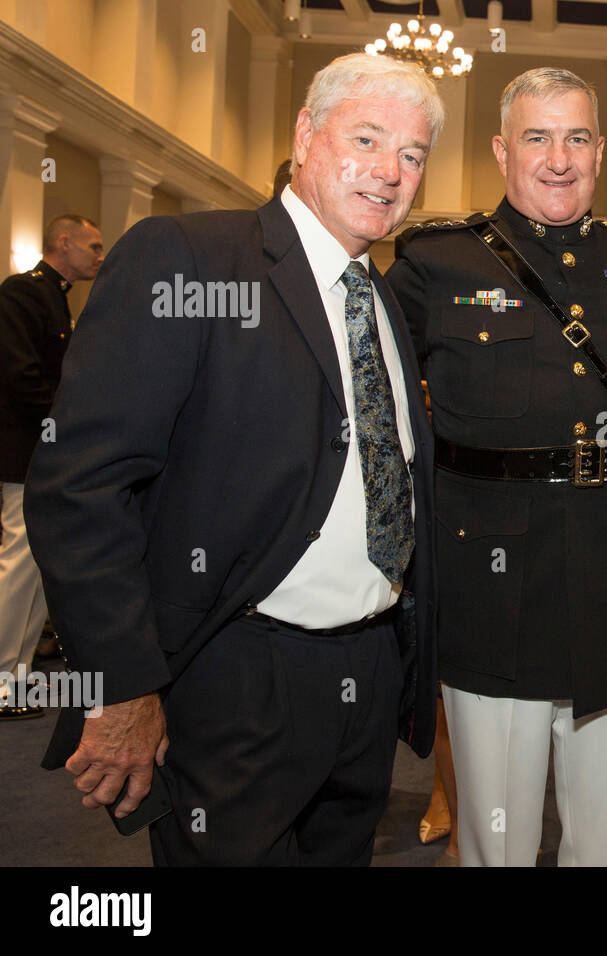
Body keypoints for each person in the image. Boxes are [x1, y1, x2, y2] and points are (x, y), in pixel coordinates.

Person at [24, 53, 443, 865]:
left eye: (414, 154)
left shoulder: (381, 296)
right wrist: (122, 683)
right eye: (367, 137)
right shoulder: (186, 256)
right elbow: (82, 485)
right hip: (234, 678)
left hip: (366, 672)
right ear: (306, 136)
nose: (391, 172)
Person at [387, 67, 607, 867]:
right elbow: (368, 403)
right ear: (501, 150)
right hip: (492, 585)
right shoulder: (436, 262)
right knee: (498, 838)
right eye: (538, 138)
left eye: (579, 137)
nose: (560, 158)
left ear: (599, 152)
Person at [0, 215, 103, 719]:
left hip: (43, 451)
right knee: (18, 563)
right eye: (93, 245)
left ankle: (15, 675)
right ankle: (2, 677)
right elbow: (21, 377)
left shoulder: (55, 297)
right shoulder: (22, 291)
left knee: (36, 564)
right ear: (63, 242)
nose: (99, 256)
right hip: (23, 452)